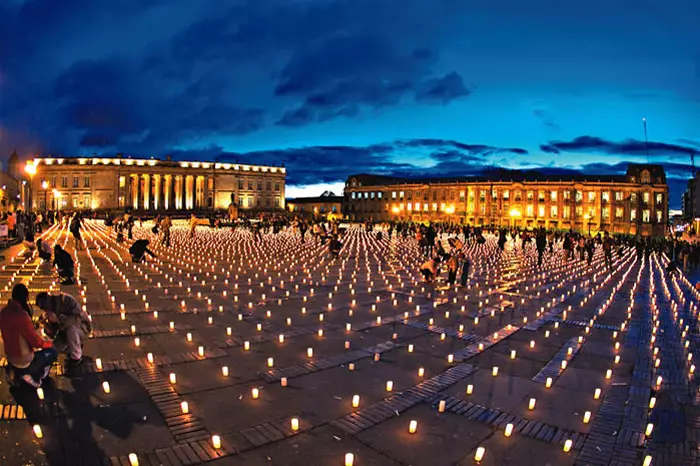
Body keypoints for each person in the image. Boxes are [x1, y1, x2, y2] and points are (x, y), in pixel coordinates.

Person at [0, 284, 56, 388]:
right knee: (52, 352)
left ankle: (16, 372)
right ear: (26, 297)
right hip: (24, 361)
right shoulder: (22, 316)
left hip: (10, 357)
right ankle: (35, 376)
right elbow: (36, 342)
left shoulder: (3, 312)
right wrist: (48, 344)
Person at [35, 291, 92, 369]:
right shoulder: (49, 312)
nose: (45, 311)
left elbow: (77, 319)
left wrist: (58, 320)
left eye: (44, 307)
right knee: (54, 349)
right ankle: (74, 347)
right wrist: (46, 326)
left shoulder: (66, 300)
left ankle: (76, 357)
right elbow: (54, 334)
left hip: (82, 328)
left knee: (71, 329)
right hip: (66, 332)